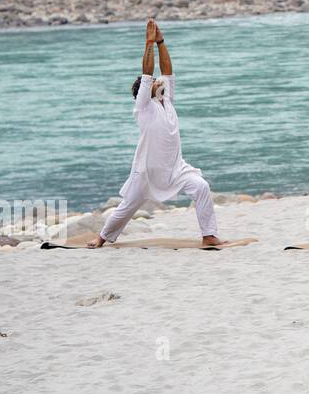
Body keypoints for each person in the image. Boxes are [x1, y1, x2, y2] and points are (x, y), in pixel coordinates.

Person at [88, 19, 222, 248]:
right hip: (146, 172)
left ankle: (209, 235)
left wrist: (161, 41)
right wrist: (148, 43)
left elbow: (167, 70)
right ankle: (102, 237)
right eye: (152, 82)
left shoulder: (166, 100)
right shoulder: (144, 107)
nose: (159, 80)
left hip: (175, 169)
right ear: (145, 89)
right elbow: (148, 72)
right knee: (127, 207)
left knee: (201, 187)